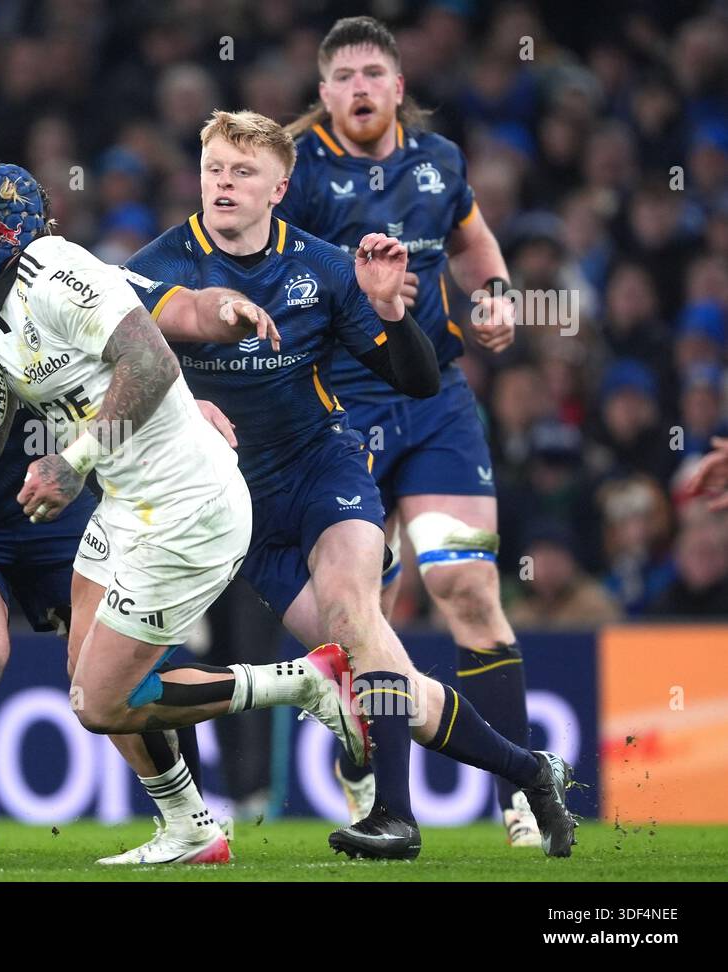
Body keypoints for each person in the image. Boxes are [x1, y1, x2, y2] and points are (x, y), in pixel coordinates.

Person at [0, 171, 367, 865]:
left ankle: (304, 683)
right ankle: (189, 828)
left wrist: (93, 446)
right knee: (71, 675)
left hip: (174, 505)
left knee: (101, 699)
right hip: (101, 502)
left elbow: (150, 346)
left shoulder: (56, 273)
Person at [126, 110, 577, 859]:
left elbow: (417, 378)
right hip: (240, 513)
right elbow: (121, 370)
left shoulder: (325, 266)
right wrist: (182, 402)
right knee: (378, 665)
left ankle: (393, 818)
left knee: (354, 610)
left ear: (281, 186)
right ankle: (530, 769)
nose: (225, 184)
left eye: (243, 172)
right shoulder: (158, 267)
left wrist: (391, 311)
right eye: (214, 170)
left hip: (326, 471)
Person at [279, 16, 539, 845]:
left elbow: (471, 239)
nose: (359, 87)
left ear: (399, 88)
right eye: (343, 75)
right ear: (322, 94)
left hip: (433, 404)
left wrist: (494, 292)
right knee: (365, 612)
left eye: (373, 74)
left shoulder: (440, 163)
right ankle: (372, 773)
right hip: (338, 407)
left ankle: (521, 794)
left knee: (466, 587)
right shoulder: (296, 173)